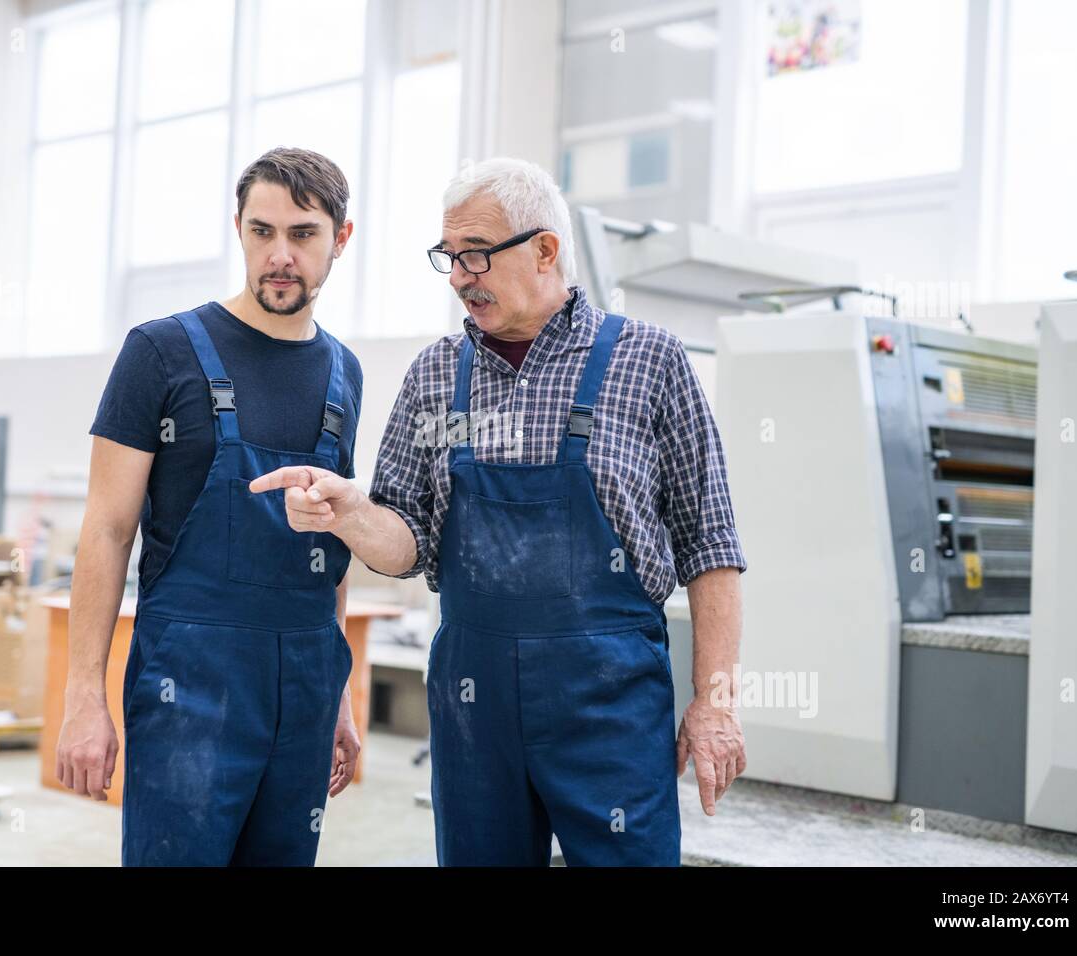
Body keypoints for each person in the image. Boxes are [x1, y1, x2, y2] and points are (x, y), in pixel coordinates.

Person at [252, 157, 747, 866]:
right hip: (472, 703)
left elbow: (712, 545)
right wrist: (351, 512)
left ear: (545, 249)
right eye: (449, 258)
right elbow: (407, 545)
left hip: (608, 705)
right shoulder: (434, 375)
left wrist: (715, 701)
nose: (459, 275)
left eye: (476, 254)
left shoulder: (650, 362)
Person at [56, 147, 363, 866]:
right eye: (261, 232)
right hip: (188, 683)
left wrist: (339, 694)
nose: (279, 255)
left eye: (303, 234)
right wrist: (83, 695)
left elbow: (333, 541)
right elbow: (105, 532)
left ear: (341, 239)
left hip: (305, 686)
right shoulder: (160, 352)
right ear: (238, 229)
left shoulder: (343, 371)